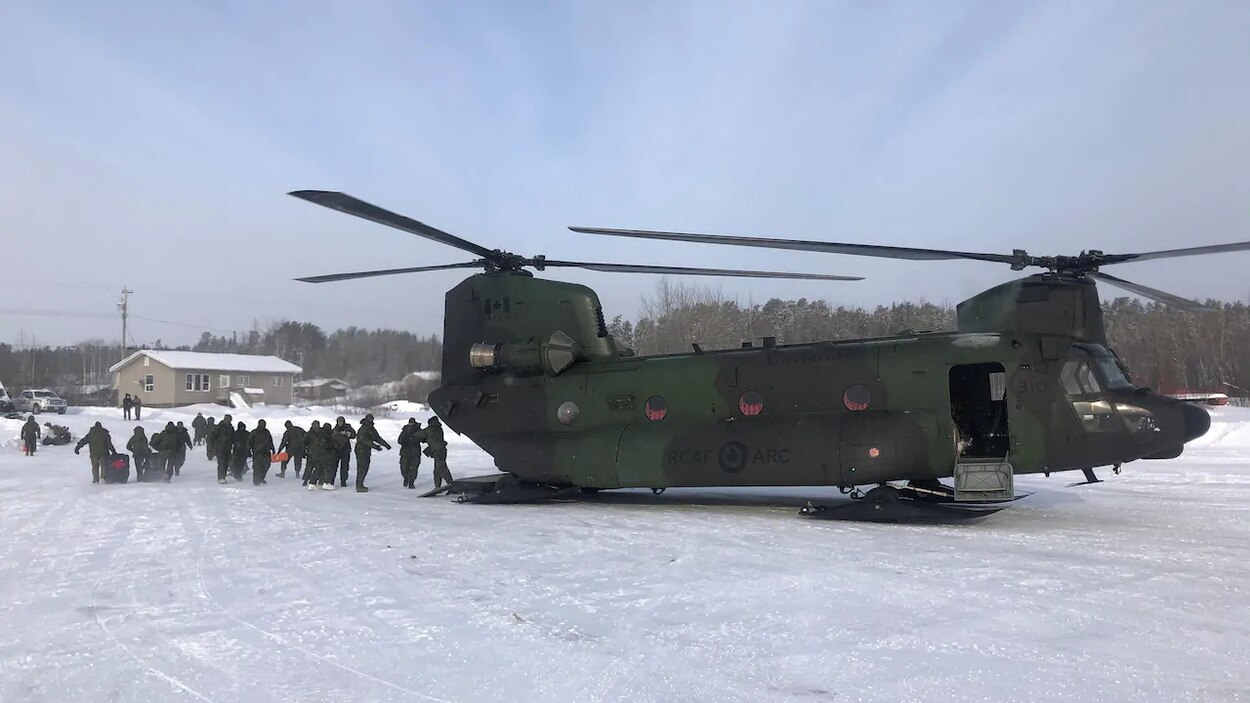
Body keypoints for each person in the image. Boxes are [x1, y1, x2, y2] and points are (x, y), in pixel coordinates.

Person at [352, 414, 391, 492]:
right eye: (369, 420)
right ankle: (359, 486)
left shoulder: (371, 428)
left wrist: (385, 444)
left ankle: (360, 484)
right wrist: (375, 446)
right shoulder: (363, 428)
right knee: (362, 468)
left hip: (366, 450)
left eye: (371, 420)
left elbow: (377, 437)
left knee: (365, 467)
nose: (370, 421)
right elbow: (364, 440)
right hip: (361, 450)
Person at [425, 416, 452, 489]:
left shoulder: (430, 429)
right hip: (441, 450)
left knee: (441, 468)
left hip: (438, 451)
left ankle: (451, 485)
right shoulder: (438, 428)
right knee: (437, 470)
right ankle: (437, 486)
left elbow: (419, 435)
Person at [397, 418, 426, 488]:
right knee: (404, 467)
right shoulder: (404, 431)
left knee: (413, 468)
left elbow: (424, 439)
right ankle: (406, 478)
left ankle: (411, 482)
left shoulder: (418, 431)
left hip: (415, 452)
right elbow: (399, 441)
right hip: (405, 452)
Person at [332, 417, 356, 488]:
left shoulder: (348, 427)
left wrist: (348, 433)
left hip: (345, 450)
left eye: (341, 421)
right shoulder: (334, 429)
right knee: (333, 467)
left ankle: (343, 481)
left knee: (345, 467)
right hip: (336, 451)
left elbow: (354, 435)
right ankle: (331, 480)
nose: (340, 423)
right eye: (339, 421)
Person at [249, 419, 275, 485]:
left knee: (267, 465)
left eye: (264, 424)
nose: (263, 425)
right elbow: (249, 442)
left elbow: (270, 441)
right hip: (257, 452)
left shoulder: (267, 432)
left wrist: (273, 448)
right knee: (257, 467)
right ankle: (256, 481)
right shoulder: (254, 432)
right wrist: (248, 450)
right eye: (261, 424)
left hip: (266, 451)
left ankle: (261, 478)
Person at [212, 414, 235, 484]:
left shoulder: (231, 428)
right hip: (219, 448)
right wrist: (212, 449)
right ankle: (221, 477)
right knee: (221, 463)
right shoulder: (219, 427)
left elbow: (233, 437)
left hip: (228, 448)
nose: (227, 421)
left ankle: (223, 477)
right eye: (226, 419)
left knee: (226, 463)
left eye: (229, 419)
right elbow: (212, 437)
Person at [302, 420, 321, 487]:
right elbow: (304, 443)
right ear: (312, 425)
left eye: (317, 425)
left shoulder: (321, 432)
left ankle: (319, 481)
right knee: (309, 468)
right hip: (311, 454)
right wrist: (303, 452)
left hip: (319, 454)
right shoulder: (308, 434)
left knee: (319, 468)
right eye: (314, 425)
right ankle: (305, 480)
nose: (316, 426)